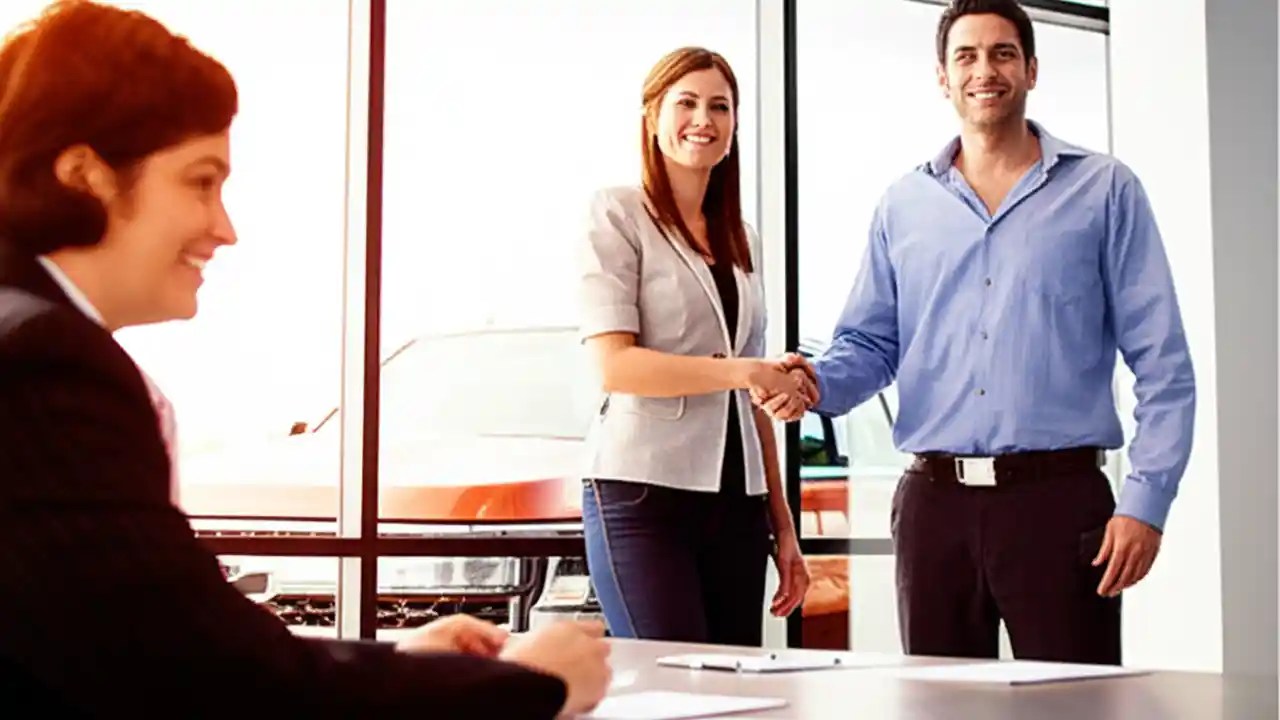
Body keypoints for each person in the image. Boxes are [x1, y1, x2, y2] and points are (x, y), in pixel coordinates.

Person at [0, 2, 609, 716]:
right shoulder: (49, 366)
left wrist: (398, 661)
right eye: (201, 181)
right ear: (85, 175)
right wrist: (533, 686)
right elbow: (209, 680)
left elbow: (178, 643)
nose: (223, 228)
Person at [761, 0, 1194, 665]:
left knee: (1072, 713)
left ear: (1030, 70)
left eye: (1001, 54)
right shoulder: (904, 205)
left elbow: (1164, 367)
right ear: (942, 76)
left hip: (1061, 507)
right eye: (965, 56)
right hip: (934, 509)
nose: (983, 70)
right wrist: (812, 383)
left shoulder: (1106, 191)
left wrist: (1147, 502)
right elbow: (872, 347)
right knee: (940, 707)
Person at [578, 46, 814, 645]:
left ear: (734, 128)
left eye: (720, 107)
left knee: (732, 686)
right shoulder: (616, 213)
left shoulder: (745, 240)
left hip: (737, 502)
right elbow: (615, 366)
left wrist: (783, 527)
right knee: (666, 680)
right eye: (685, 103)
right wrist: (747, 371)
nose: (703, 119)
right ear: (652, 118)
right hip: (642, 494)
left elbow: (753, 397)